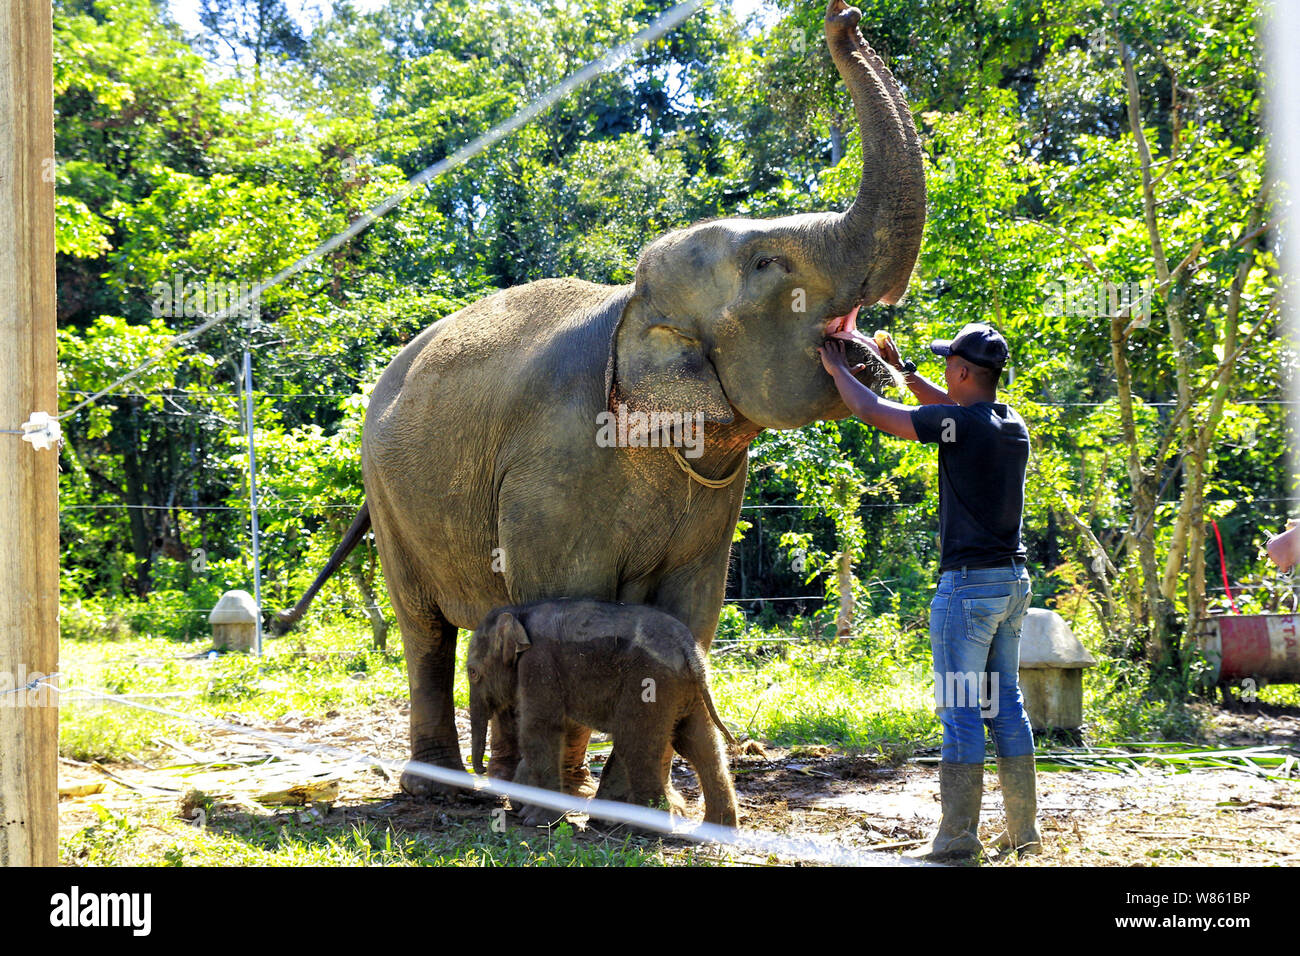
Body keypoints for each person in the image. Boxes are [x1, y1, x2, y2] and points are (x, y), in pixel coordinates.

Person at [818, 323, 1040, 861]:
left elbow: (874, 412)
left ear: (964, 372)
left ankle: (958, 842)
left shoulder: (959, 424)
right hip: (1012, 584)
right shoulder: (1009, 422)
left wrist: (839, 370)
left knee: (962, 709)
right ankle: (1023, 834)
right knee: (1005, 704)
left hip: (968, 589)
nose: (943, 370)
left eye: (947, 364)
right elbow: (949, 410)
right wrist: (905, 371)